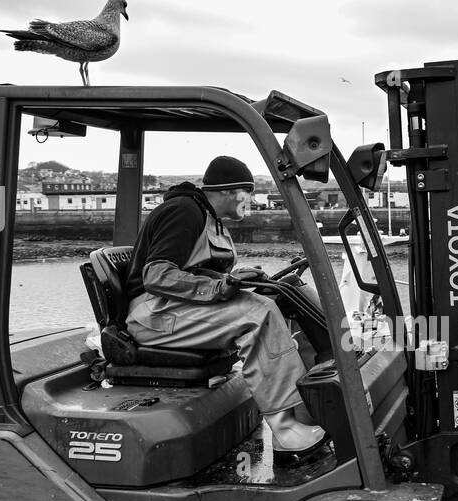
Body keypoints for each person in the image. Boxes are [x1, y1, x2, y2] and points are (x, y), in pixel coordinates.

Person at [124, 155, 326, 456]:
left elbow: (194, 272)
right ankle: (286, 430)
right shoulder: (184, 211)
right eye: (249, 193)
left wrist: (237, 280)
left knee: (279, 301)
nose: (251, 200)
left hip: (173, 308)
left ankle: (313, 407)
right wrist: (222, 286)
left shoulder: (205, 215)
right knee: (258, 314)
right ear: (230, 191)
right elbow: (157, 276)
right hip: (153, 314)